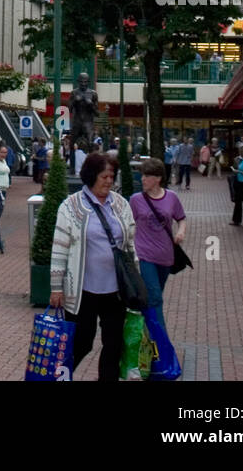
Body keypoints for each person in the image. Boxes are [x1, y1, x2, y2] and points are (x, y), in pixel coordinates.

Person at [49, 152, 139, 382]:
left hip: (115, 290)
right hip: (82, 291)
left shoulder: (120, 204)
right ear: (91, 176)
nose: (109, 181)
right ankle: (58, 377)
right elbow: (60, 248)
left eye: (112, 176)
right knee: (81, 343)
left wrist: (135, 280)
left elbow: (129, 246)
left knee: (113, 345)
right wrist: (56, 287)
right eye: (104, 176)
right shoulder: (70, 206)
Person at [129, 159, 187, 337]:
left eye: (147, 176)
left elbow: (181, 218)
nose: (143, 179)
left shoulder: (171, 197)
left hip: (165, 256)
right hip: (144, 255)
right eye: (143, 175)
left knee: (153, 298)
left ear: (158, 178)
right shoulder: (136, 200)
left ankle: (146, 335)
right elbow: (127, 225)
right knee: (155, 298)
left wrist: (181, 232)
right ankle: (161, 344)